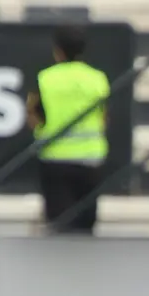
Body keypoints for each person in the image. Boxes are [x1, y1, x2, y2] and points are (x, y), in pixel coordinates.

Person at [28, 25, 111, 235]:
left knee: (59, 224)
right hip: (91, 157)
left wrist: (40, 132)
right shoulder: (98, 78)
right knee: (86, 224)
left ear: (58, 51)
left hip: (55, 157)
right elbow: (103, 116)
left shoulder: (45, 78)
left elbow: (32, 111)